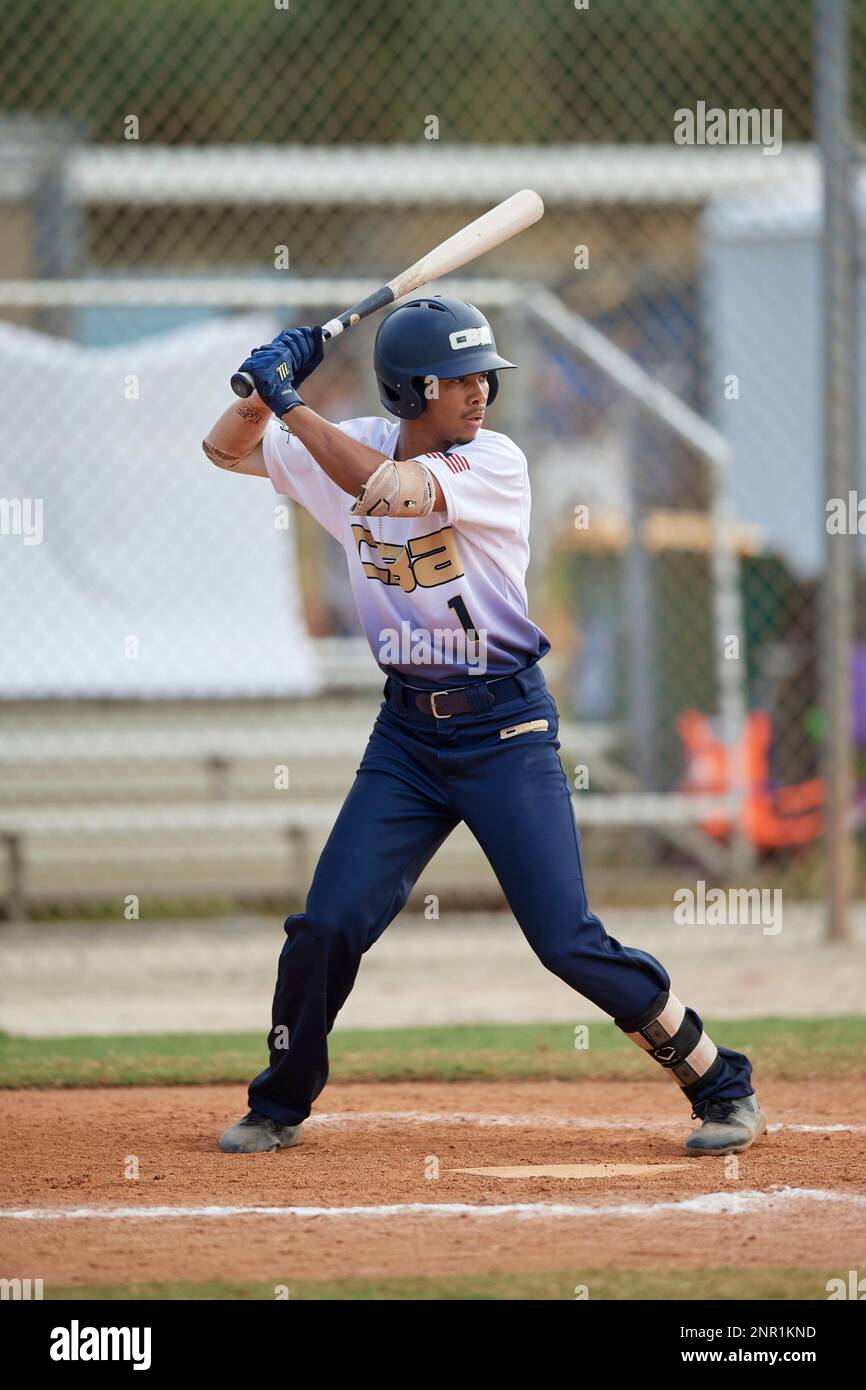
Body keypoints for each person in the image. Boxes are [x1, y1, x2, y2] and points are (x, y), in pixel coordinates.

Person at [202, 295, 767, 1159]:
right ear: (410, 389)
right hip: (406, 739)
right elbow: (223, 450)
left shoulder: (492, 462)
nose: (479, 393)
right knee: (326, 923)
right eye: (459, 378)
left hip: (505, 729)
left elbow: (382, 489)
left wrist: (289, 399)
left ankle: (720, 1079)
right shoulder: (342, 440)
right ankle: (279, 1102)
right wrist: (264, 381)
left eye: (483, 376)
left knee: (566, 941)